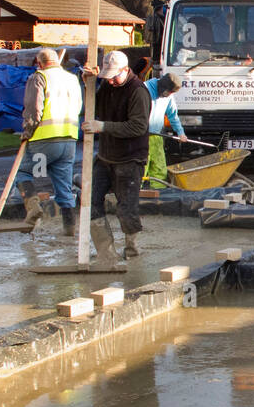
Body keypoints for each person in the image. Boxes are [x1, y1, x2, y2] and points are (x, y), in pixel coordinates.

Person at [81, 50, 151, 267]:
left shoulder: (137, 91)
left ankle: (132, 249)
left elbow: (138, 126)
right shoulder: (108, 86)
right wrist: (89, 85)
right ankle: (106, 252)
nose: (110, 80)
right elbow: (95, 105)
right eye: (107, 76)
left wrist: (103, 127)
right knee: (89, 201)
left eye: (114, 76)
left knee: (126, 207)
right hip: (106, 156)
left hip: (130, 158)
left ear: (125, 70)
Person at [15, 47, 82, 235]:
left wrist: (27, 131)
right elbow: (78, 107)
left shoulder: (39, 77)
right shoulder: (72, 79)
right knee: (64, 186)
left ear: (39, 63)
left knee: (25, 172)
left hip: (44, 142)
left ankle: (34, 207)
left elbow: (33, 109)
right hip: (68, 141)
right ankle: (69, 230)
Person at [143, 73, 185, 186]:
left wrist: (180, 132)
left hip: (156, 136)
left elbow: (173, 115)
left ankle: (159, 197)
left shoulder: (168, 96)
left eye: (172, 93)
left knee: (159, 169)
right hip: (140, 137)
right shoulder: (144, 89)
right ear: (163, 87)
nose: (169, 95)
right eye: (169, 92)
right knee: (140, 169)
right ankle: (135, 196)